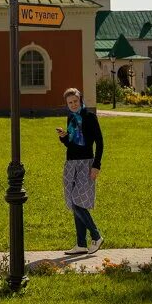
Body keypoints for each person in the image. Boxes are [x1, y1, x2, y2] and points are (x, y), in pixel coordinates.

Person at [57, 87, 104, 255]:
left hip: (86, 163)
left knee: (78, 201)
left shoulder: (90, 117)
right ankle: (81, 244)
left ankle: (96, 236)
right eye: (70, 103)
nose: (73, 104)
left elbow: (99, 142)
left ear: (80, 100)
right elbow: (72, 143)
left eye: (75, 101)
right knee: (72, 199)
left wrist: (96, 165)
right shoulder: (70, 117)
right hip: (71, 164)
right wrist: (64, 137)